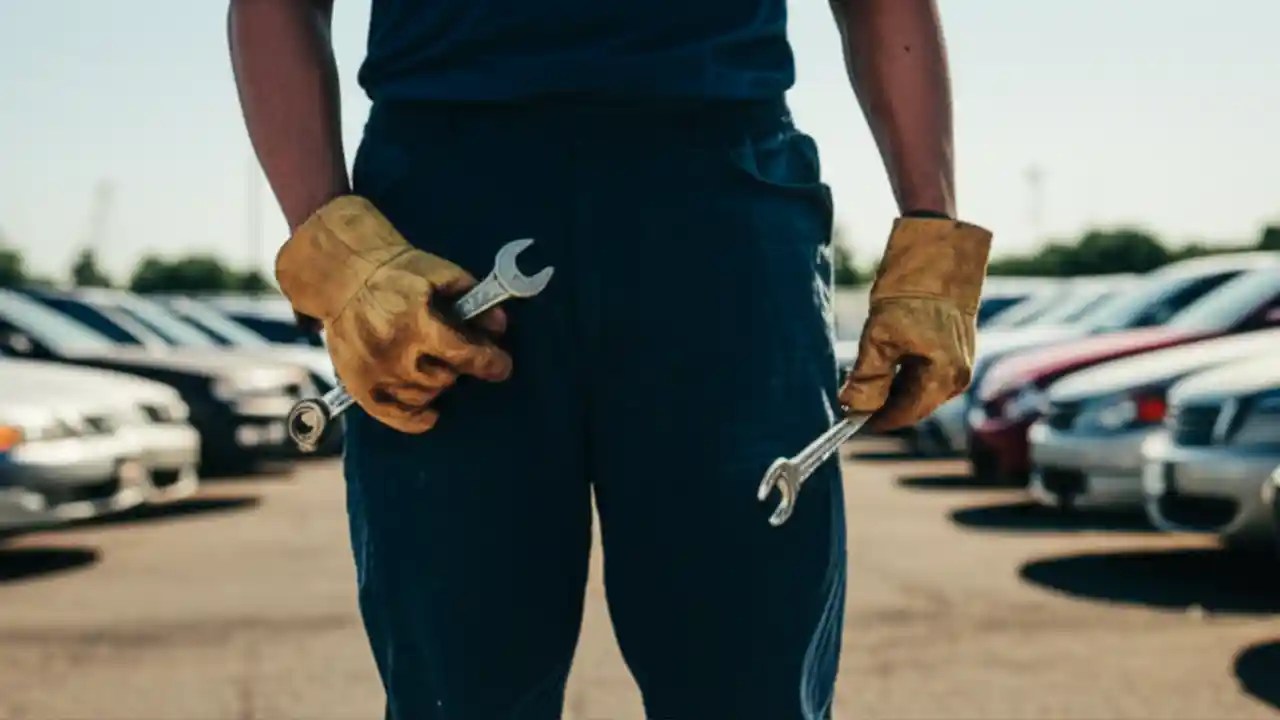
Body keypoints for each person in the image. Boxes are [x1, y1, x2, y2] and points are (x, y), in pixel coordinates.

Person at [228, 0, 992, 717]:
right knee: (455, 691)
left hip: (718, 208)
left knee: (751, 685)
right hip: (440, 238)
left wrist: (933, 234)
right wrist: (336, 246)